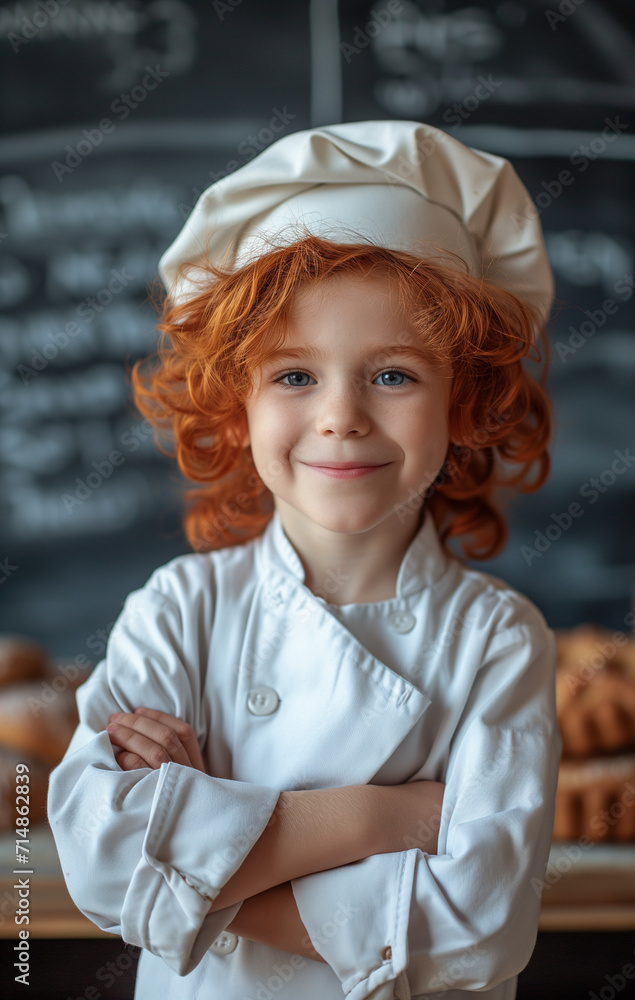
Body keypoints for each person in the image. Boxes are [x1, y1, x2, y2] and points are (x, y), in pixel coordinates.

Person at [47, 120, 562, 1000]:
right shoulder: (180, 610)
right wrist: (386, 817)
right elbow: (99, 862)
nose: (340, 417)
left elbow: (479, 930)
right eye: (293, 376)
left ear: (464, 402)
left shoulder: (496, 638)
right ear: (230, 404)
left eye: (393, 374)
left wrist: (196, 856)